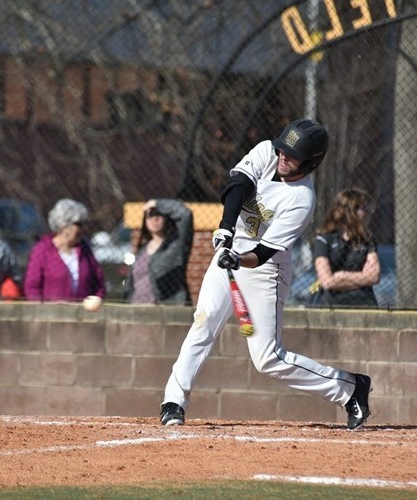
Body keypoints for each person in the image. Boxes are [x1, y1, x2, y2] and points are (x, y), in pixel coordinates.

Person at [159, 119, 373, 431]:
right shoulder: (267, 152)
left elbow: (262, 255)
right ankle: (173, 400)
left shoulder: (301, 200)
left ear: (310, 163)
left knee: (268, 359)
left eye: (292, 154)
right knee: (203, 322)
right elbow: (237, 187)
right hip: (231, 250)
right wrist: (227, 229)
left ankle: (350, 388)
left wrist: (237, 257)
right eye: (283, 149)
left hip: (265, 270)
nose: (283, 157)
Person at [23, 198, 106, 301]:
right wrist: (40, 311)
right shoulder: (42, 250)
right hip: (51, 314)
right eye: (78, 224)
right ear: (64, 225)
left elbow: (99, 283)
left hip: (83, 314)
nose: (83, 228)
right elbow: (32, 286)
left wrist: (96, 301)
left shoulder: (85, 251)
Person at [312, 188, 380, 306]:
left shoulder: (368, 240)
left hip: (364, 302)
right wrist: (362, 278)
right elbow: (327, 281)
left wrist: (343, 276)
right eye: (363, 209)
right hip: (332, 304)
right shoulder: (325, 239)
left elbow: (374, 276)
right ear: (349, 212)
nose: (369, 212)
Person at [125, 198, 194, 305]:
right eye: (150, 215)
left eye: (159, 214)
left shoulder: (176, 245)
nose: (154, 219)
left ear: (166, 218)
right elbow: (130, 285)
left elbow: (185, 214)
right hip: (137, 309)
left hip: (166, 311)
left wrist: (158, 204)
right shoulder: (141, 250)